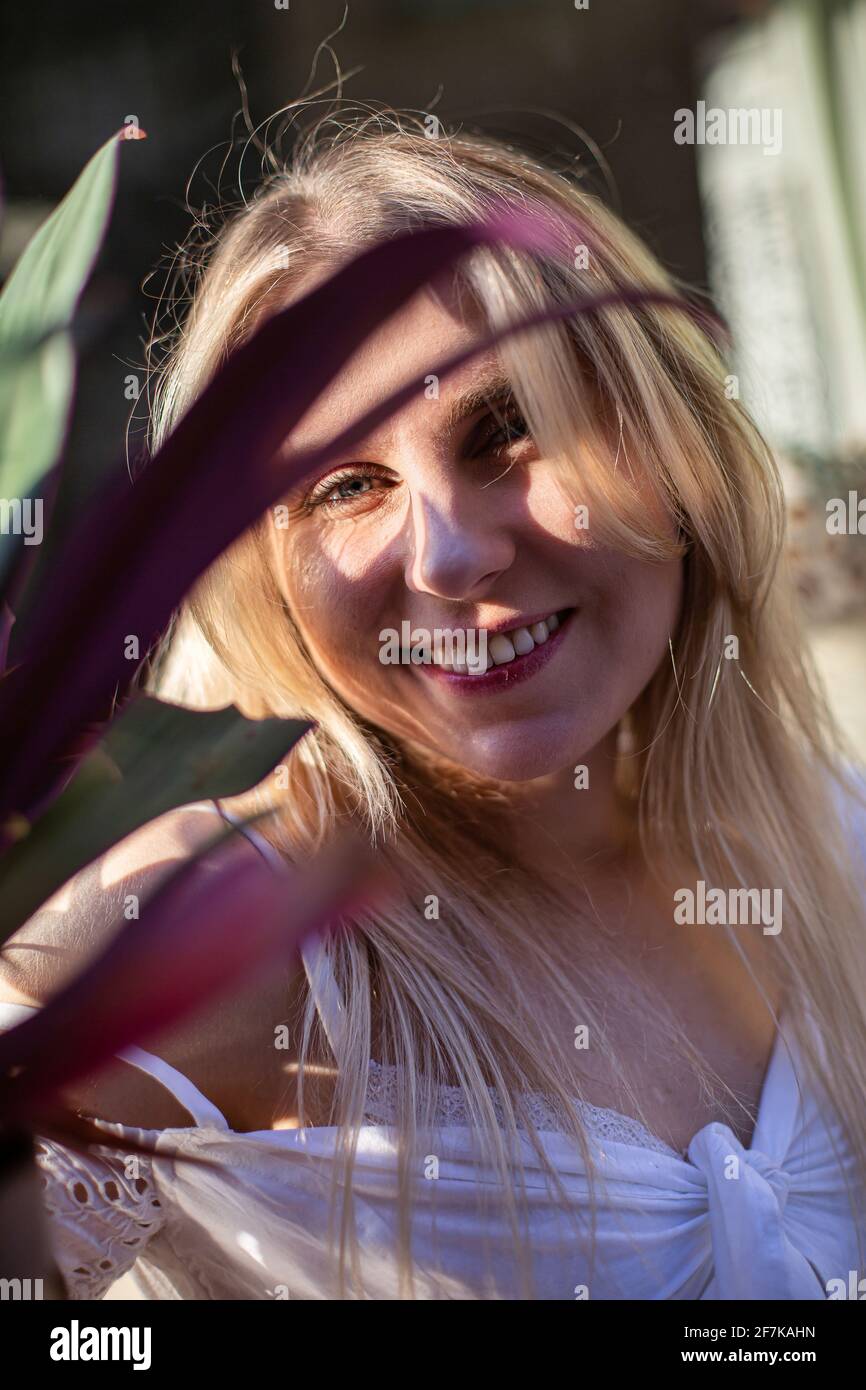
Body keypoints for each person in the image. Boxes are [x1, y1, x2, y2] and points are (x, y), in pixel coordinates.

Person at [2, 104, 865, 1301]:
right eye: (345, 484)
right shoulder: (200, 932)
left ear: (674, 449)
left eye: (509, 428)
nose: (449, 556)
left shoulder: (833, 840)